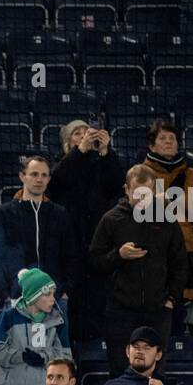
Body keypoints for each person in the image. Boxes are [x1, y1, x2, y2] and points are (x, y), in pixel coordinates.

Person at [89, 163, 189, 376]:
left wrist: (171, 298)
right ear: (126, 189)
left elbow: (180, 263)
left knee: (156, 373)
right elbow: (94, 262)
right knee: (120, 370)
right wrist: (118, 255)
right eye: (137, 192)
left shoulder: (166, 219)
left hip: (158, 310)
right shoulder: (111, 220)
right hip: (120, 311)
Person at [49, 120, 125, 340]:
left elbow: (118, 185)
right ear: (66, 142)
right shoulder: (61, 163)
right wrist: (80, 152)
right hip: (69, 242)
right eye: (77, 134)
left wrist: (105, 152)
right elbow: (56, 184)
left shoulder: (102, 163)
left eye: (87, 133)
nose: (84, 137)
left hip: (99, 241)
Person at [0, 155, 78, 310]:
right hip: (17, 301)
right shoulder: (4, 214)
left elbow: (71, 258)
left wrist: (65, 293)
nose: (39, 179)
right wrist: (6, 294)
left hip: (55, 301)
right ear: (22, 176)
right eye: (34, 174)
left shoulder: (60, 215)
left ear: (49, 179)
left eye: (44, 175)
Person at [142, 119, 193, 331]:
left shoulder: (191, 174)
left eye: (172, 138)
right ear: (152, 145)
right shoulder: (142, 173)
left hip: (185, 248)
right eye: (163, 138)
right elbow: (140, 209)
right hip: (153, 250)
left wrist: (169, 197)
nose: (169, 142)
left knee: (178, 310)